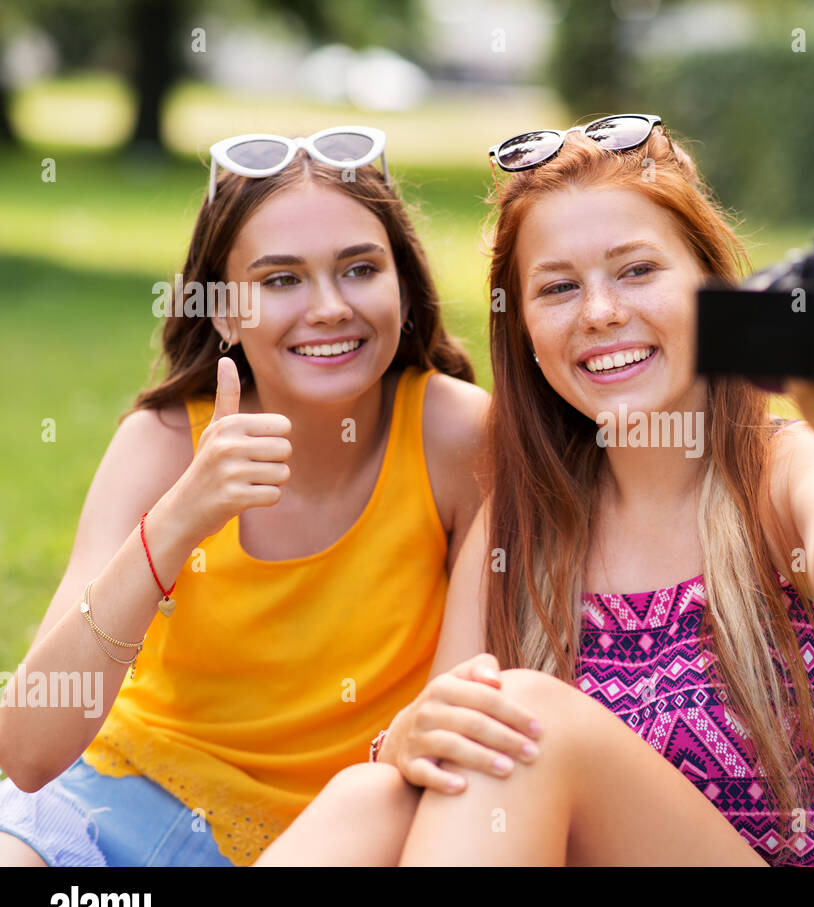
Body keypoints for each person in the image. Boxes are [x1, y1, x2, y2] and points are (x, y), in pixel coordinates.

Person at [258, 115, 814, 866]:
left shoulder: (784, 475)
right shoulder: (521, 533)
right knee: (373, 794)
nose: (601, 312)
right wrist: (405, 739)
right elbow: (448, 745)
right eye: (557, 288)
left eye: (637, 271)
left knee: (528, 725)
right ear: (524, 332)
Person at [0, 128, 489, 866]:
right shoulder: (163, 442)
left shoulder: (463, 440)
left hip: (333, 833)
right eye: (281, 280)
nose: (328, 308)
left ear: (403, 285)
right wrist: (176, 521)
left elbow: (453, 720)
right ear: (225, 313)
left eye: (360, 268)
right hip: (113, 801)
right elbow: (29, 751)